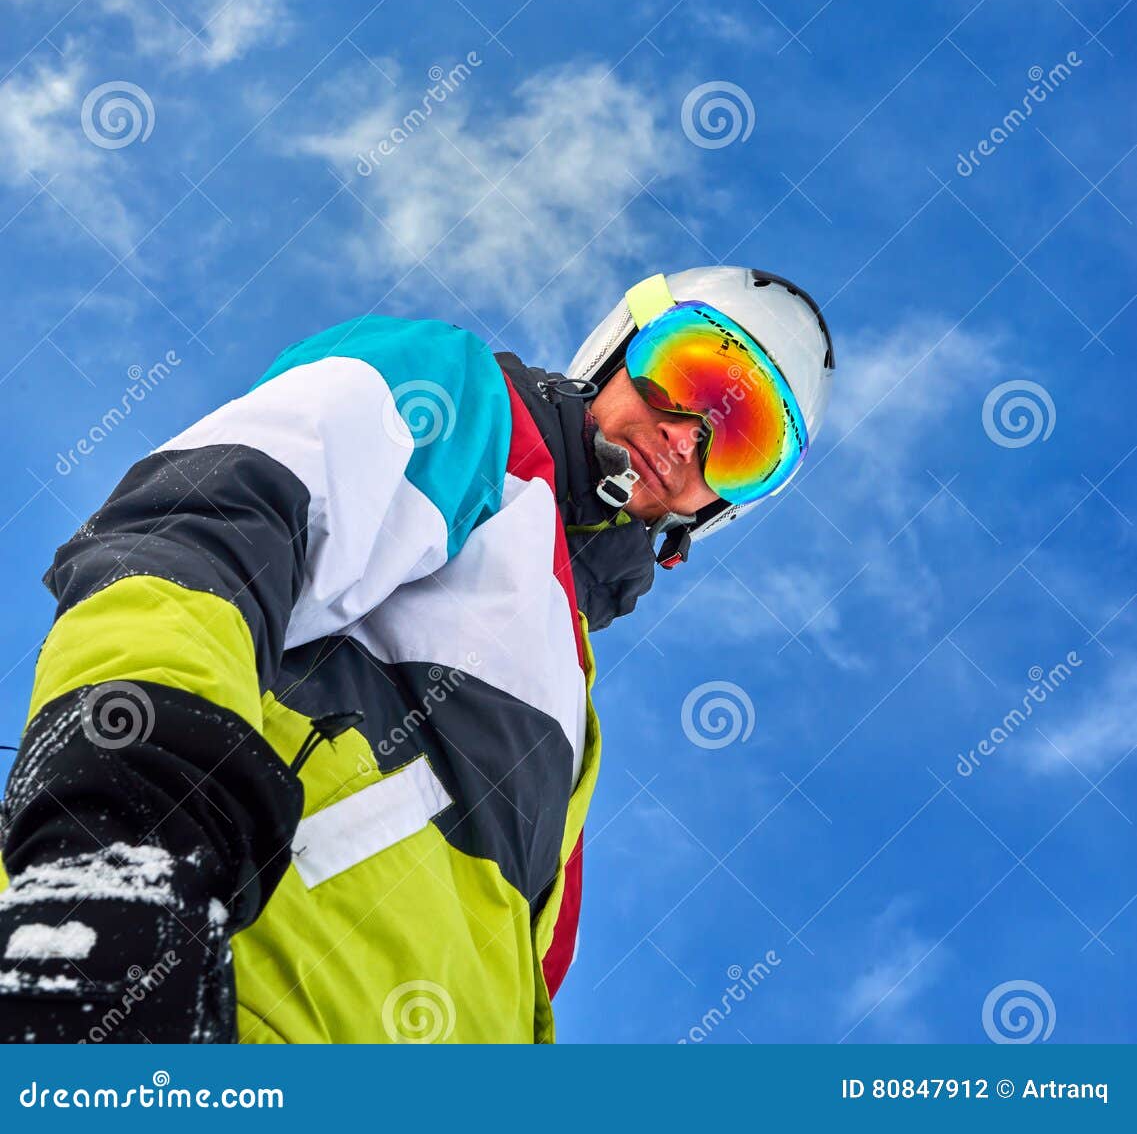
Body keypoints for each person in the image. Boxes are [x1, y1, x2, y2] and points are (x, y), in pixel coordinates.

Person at [0, 266, 833, 1044]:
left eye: (745, 440)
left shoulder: (566, 704)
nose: (687, 437)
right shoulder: (467, 406)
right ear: (619, 346)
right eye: (687, 377)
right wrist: (117, 846)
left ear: (725, 505)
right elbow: (202, 537)